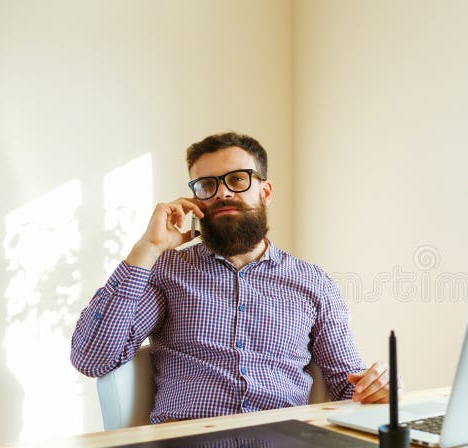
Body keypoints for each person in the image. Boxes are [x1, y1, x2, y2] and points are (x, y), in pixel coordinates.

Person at [71, 131, 397, 424]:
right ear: (196, 199)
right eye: (208, 185)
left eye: (238, 180)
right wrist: (148, 247)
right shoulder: (168, 271)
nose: (223, 193)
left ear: (265, 191)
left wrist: (377, 388)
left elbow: (347, 386)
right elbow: (92, 358)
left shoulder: (314, 282)